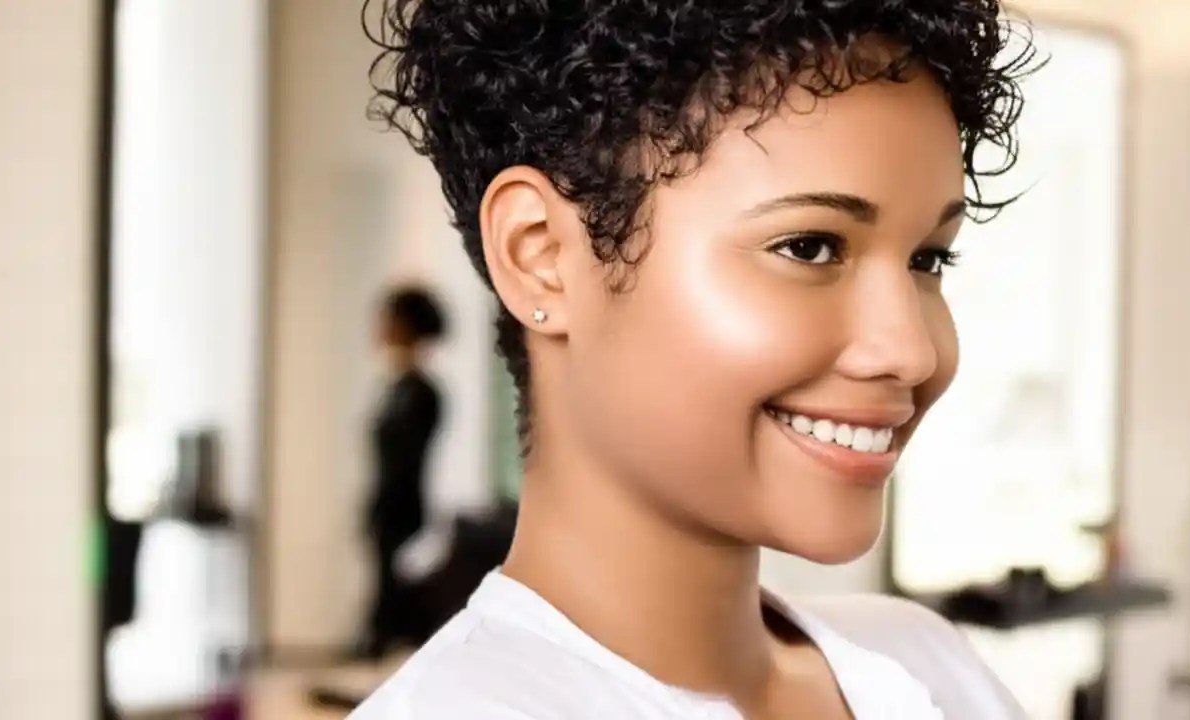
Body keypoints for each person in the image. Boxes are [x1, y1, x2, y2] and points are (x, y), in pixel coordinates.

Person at [353, 1, 1036, 717]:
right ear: (542, 256)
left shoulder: (927, 665)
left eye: (928, 259)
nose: (912, 351)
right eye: (808, 247)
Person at [361, 286, 445, 658]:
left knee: (396, 610)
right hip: (385, 509)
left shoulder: (421, 393)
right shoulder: (394, 389)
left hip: (403, 511)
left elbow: (406, 463)